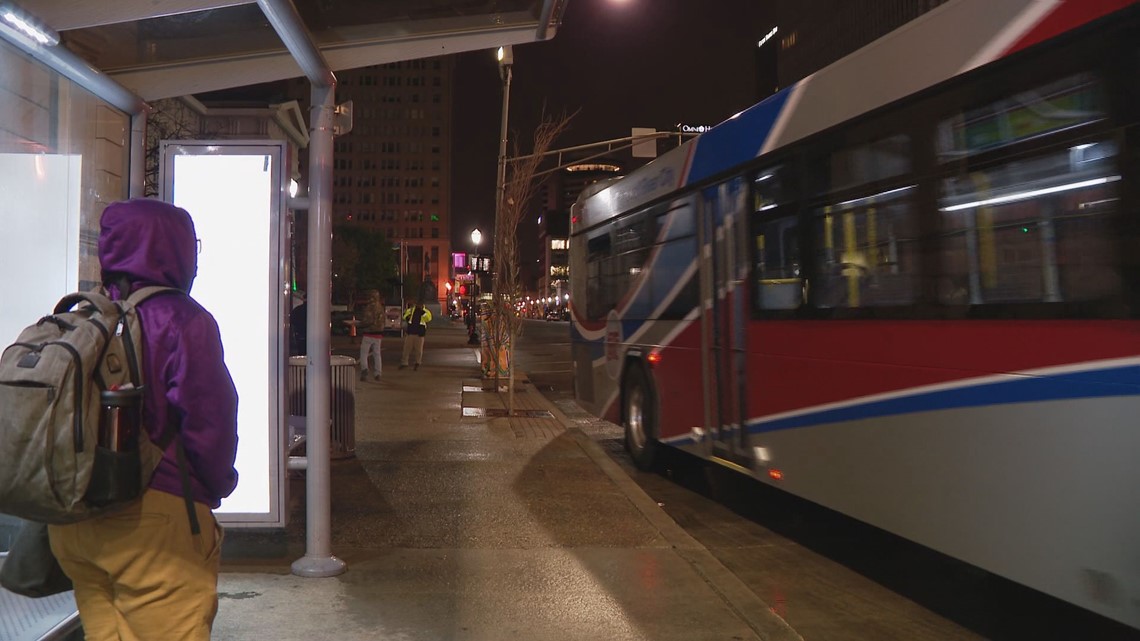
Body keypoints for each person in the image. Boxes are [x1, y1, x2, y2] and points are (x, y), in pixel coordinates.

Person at [48, 198, 239, 640]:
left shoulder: (82, 317)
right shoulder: (184, 321)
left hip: (76, 524)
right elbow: (209, 424)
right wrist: (213, 488)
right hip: (154, 527)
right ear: (175, 250)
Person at [357, 288, 384, 381]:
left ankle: (364, 369)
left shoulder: (369, 307)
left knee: (364, 353)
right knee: (377, 354)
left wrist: (359, 324)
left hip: (369, 333)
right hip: (378, 334)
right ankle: (378, 373)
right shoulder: (380, 307)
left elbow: (368, 321)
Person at [400, 301, 432, 370]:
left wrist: (423, 313)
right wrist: (407, 317)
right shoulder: (411, 310)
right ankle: (404, 363)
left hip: (419, 333)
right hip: (411, 332)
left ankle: (418, 362)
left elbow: (428, 319)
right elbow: (404, 315)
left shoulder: (426, 311)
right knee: (406, 349)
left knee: (419, 350)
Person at [290, 291, 307, 356]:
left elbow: (292, 320)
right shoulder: (314, 310)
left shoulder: (297, 309)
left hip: (300, 334)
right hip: (310, 336)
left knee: (301, 352)